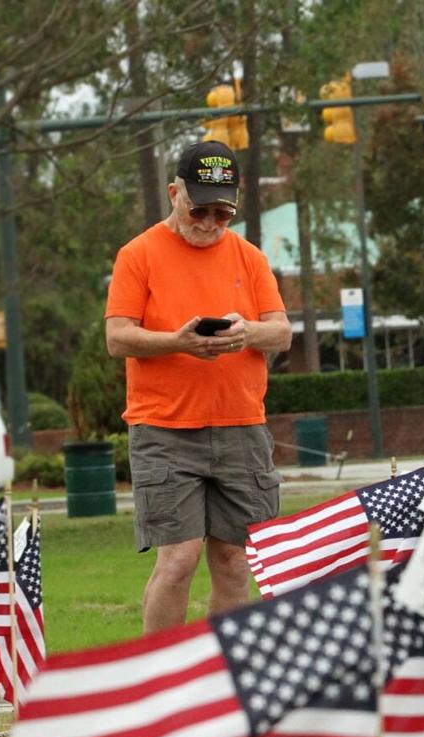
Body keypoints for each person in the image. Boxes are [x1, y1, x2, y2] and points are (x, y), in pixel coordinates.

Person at [104, 140, 292, 634]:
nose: (209, 223)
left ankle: (222, 668)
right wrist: (178, 342)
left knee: (234, 560)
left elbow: (281, 332)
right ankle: (161, 670)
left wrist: (247, 332)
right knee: (178, 560)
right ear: (175, 193)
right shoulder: (138, 255)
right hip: (165, 430)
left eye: (222, 213)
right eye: (199, 210)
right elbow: (117, 337)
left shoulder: (250, 258)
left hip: (241, 427)